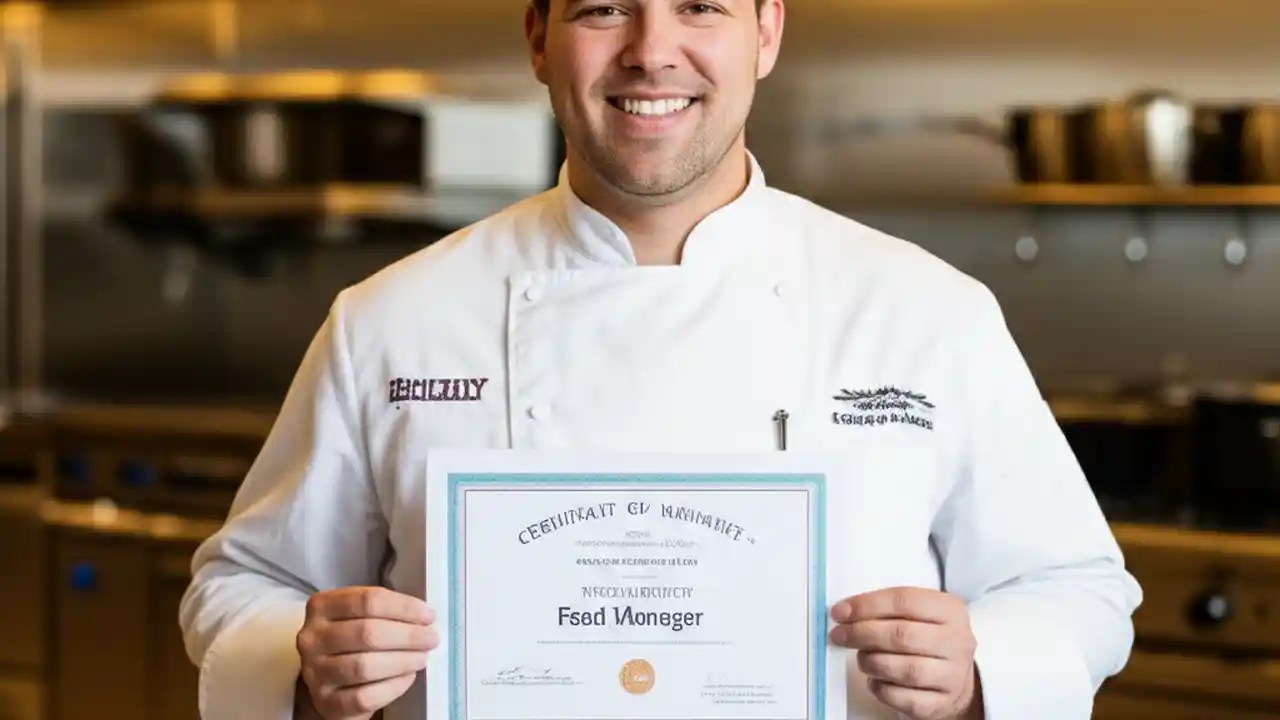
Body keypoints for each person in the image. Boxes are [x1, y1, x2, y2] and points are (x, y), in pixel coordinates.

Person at [179, 0, 1143, 718]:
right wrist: (308, 666)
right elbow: (241, 585)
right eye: (603, 9)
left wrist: (982, 670)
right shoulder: (392, 318)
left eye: (700, 8)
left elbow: (1077, 587)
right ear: (537, 38)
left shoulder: (926, 313)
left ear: (766, 32)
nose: (651, 51)